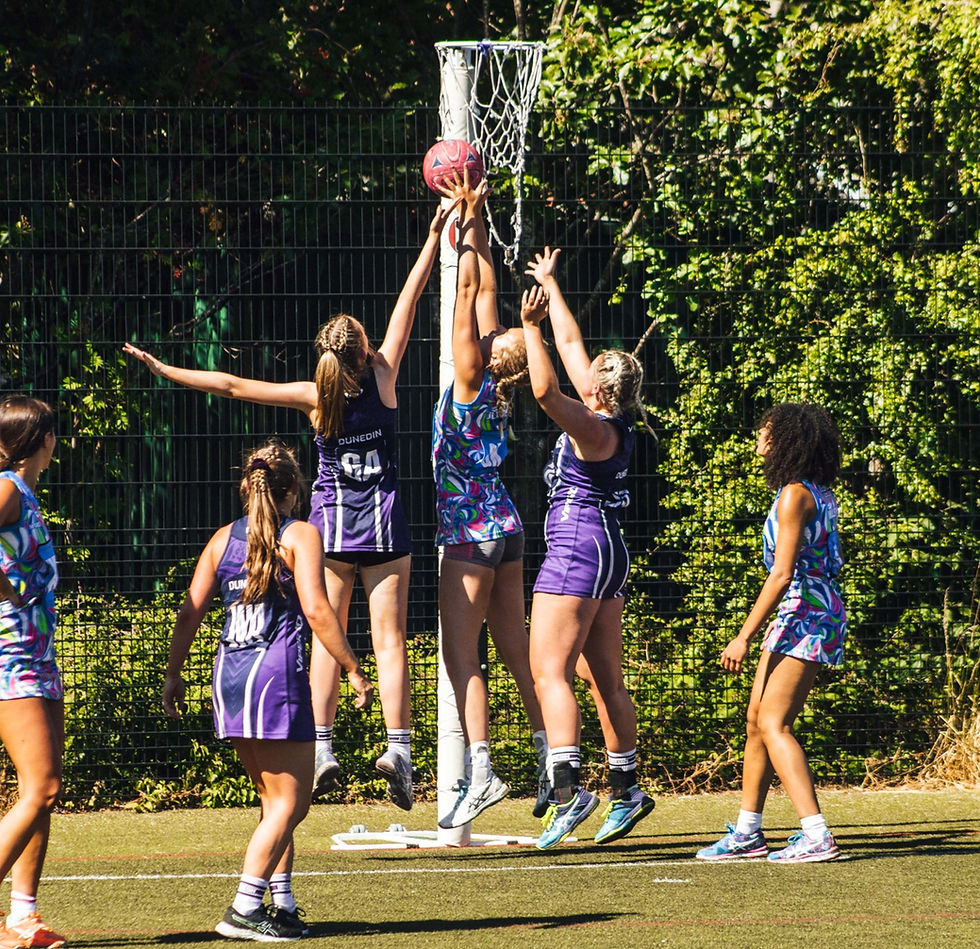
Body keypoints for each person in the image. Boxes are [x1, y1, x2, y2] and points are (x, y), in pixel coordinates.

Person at [124, 201, 457, 811]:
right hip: (384, 523)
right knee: (389, 639)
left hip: (331, 528)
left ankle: (324, 745)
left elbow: (231, 385)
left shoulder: (313, 396)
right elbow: (409, 301)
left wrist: (165, 368)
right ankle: (399, 749)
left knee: (327, 631)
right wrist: (433, 238)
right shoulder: (383, 378)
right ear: (364, 350)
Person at [164, 440, 373, 941]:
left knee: (272, 799)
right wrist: (352, 667)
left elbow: (190, 612)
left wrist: (174, 673)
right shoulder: (300, 534)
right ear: (294, 487)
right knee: (291, 804)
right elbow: (317, 609)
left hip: (230, 679)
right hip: (276, 679)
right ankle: (243, 907)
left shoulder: (222, 539)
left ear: (247, 486)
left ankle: (282, 903)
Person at [521, 248, 655, 850]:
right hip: (607, 548)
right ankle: (626, 789)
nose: (585, 364)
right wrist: (551, 287)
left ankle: (569, 791)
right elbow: (572, 346)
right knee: (602, 676)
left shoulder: (592, 427)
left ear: (598, 388)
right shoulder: (611, 419)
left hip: (578, 544)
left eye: (592, 370)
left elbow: (545, 390)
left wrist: (530, 328)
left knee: (548, 671)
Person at [432, 173, 550, 830]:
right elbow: (488, 295)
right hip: (505, 525)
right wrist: (476, 217)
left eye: (500, 334)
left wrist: (460, 231)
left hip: (472, 530)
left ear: (493, 357)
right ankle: (551, 758)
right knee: (514, 649)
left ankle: (482, 771)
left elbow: (468, 293)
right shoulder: (499, 379)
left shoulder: (469, 379)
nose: (493, 328)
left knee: (461, 655)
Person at [695, 402, 845, 864]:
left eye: (765, 432)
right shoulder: (808, 491)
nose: (758, 439)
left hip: (807, 611)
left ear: (786, 441)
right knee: (756, 721)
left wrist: (742, 636)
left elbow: (781, 574)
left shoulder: (794, 495)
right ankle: (747, 833)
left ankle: (817, 834)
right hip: (808, 609)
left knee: (774, 724)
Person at [0, 395, 67, 949]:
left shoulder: (24, 493)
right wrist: (7, 590)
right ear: (43, 439)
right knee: (41, 788)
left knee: (42, 789)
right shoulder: (5, 488)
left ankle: (22, 917)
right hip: (11, 655)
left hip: (37, 653)